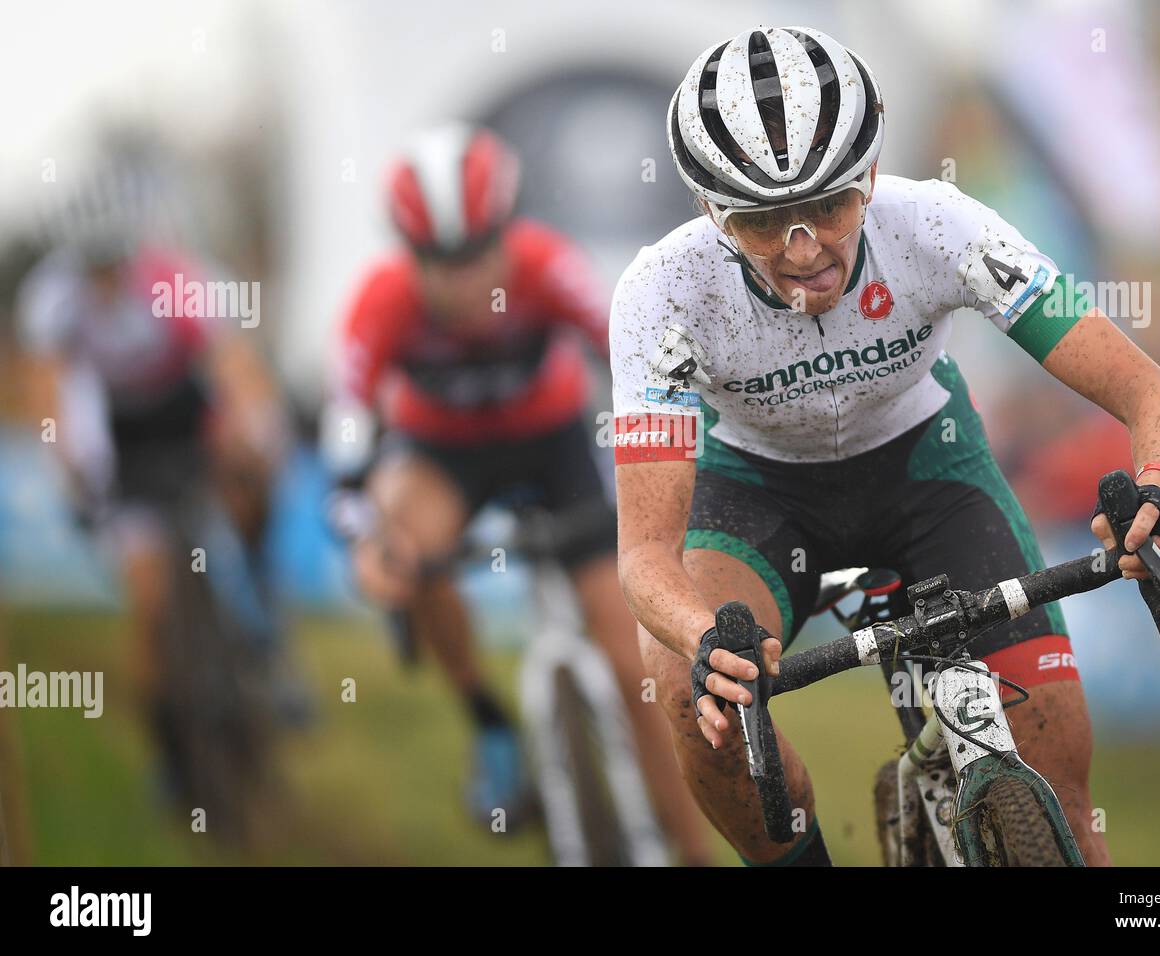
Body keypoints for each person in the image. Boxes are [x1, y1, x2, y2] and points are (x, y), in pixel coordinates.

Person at [610, 25, 1160, 866]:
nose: (803, 248)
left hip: (929, 472)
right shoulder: (661, 294)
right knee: (688, 695)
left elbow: (1153, 396)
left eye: (829, 205)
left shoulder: (936, 224)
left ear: (872, 178)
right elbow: (645, 558)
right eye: (764, 221)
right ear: (712, 212)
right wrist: (705, 638)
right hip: (754, 496)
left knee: (1062, 802)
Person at [323, 123, 711, 864]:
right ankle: (488, 721)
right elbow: (346, 419)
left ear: (509, 230)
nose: (463, 279)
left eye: (477, 252)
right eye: (439, 261)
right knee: (404, 546)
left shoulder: (547, 267)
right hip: (442, 455)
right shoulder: (381, 301)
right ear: (409, 256)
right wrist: (360, 530)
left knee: (634, 666)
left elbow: (627, 353)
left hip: (553, 440)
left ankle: (692, 850)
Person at [16, 164, 290, 789]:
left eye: (115, 263)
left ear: (133, 254)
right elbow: (49, 395)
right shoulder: (52, 298)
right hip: (122, 438)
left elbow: (232, 368)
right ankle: (169, 747)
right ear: (74, 264)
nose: (106, 280)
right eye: (93, 268)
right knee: (150, 602)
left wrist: (249, 440)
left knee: (249, 474)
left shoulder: (176, 279)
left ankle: (262, 610)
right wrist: (72, 475)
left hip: (191, 412)